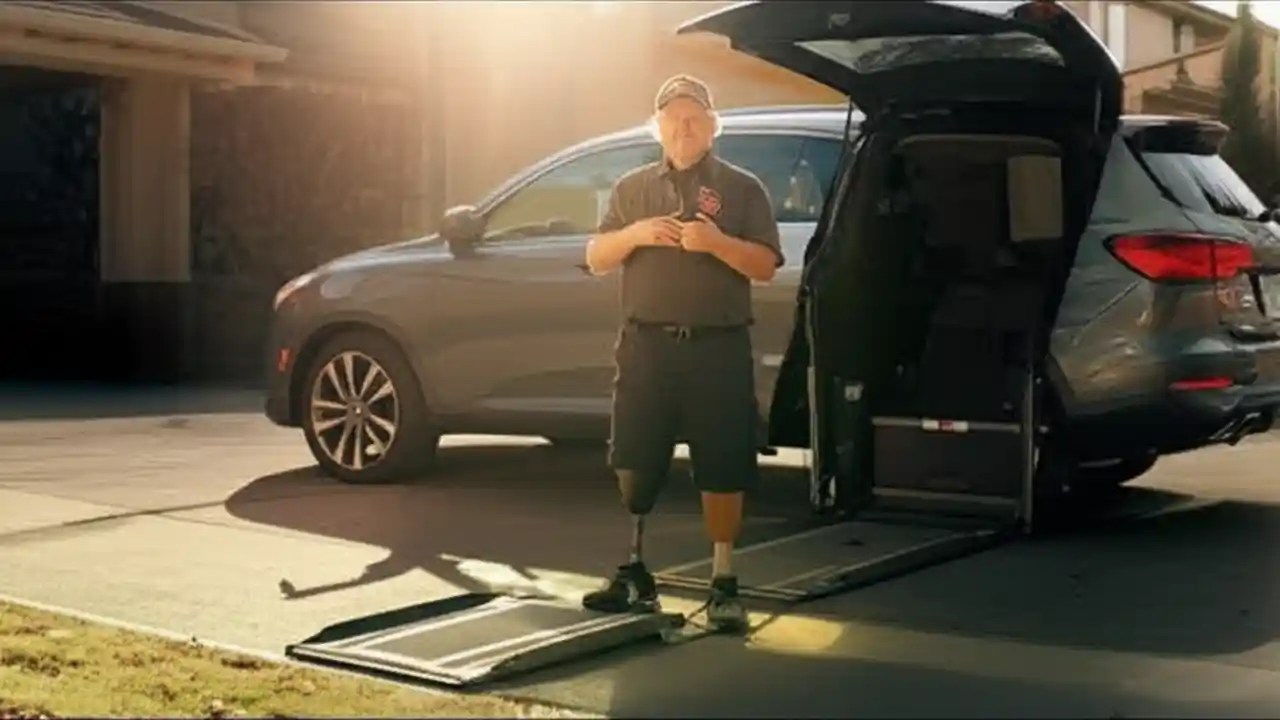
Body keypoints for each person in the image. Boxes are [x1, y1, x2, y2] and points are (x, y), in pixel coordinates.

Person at [580, 75, 783, 632]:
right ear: (659, 127)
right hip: (646, 347)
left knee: (722, 464)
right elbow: (597, 256)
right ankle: (635, 571)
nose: (684, 126)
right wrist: (638, 234)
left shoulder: (743, 189)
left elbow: (765, 264)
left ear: (713, 126)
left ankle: (723, 582)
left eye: (694, 117)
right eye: (673, 118)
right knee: (634, 462)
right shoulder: (632, 189)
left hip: (717, 347)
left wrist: (716, 243)